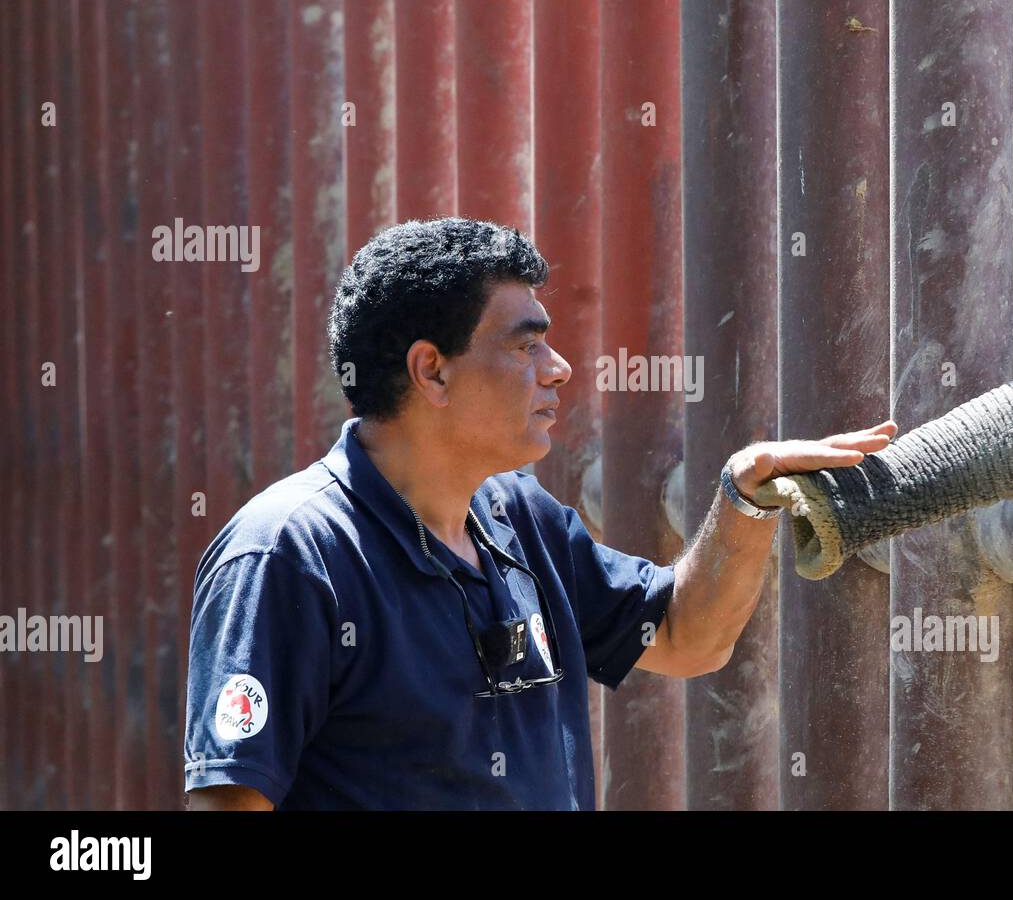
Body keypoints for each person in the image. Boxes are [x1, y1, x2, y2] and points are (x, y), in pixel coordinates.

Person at [182, 217, 896, 809]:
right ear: (432, 370)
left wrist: (746, 497)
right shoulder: (288, 556)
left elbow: (687, 635)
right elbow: (231, 802)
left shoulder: (517, 518)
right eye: (526, 345)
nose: (559, 368)